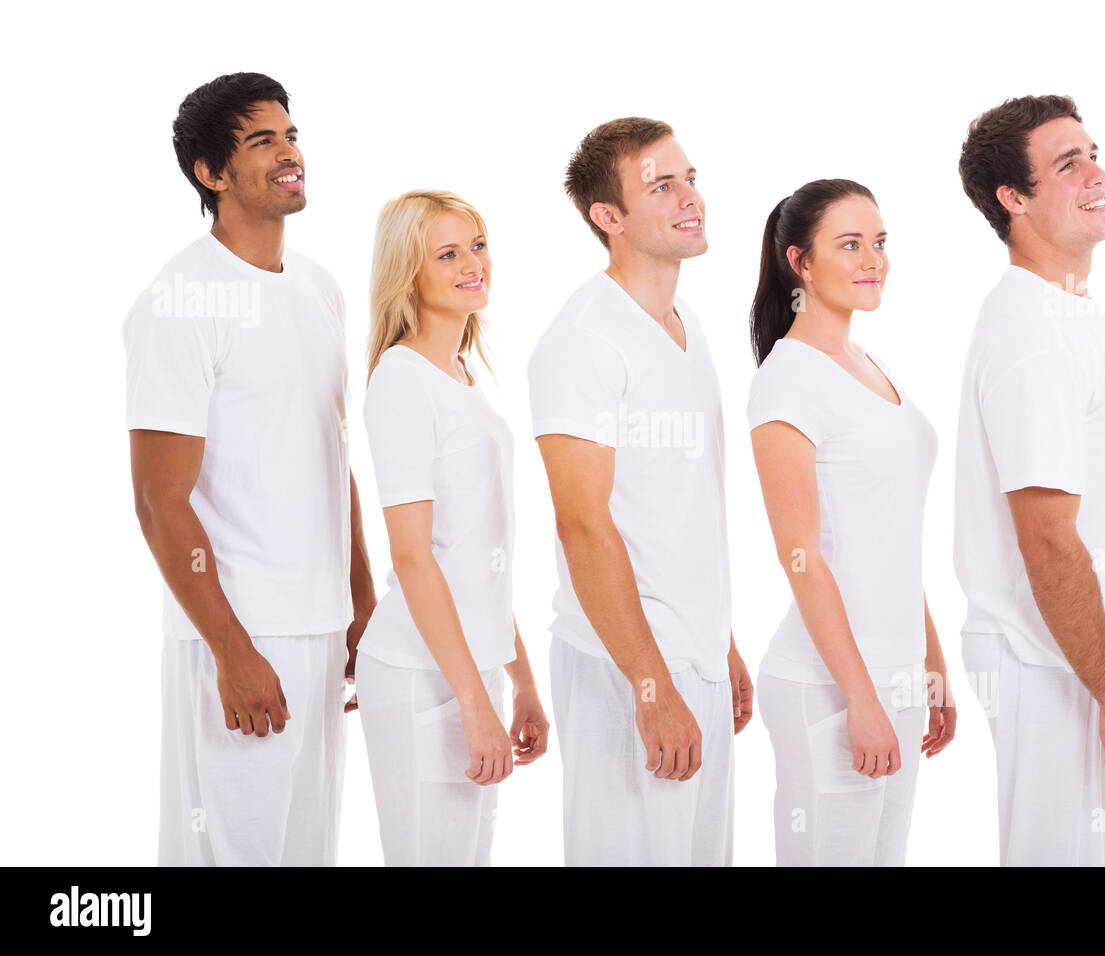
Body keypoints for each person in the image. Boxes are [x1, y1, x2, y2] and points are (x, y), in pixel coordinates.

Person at [123, 72, 377, 866]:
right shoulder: (179, 302)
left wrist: (362, 603)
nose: (289, 152)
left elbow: (333, 461)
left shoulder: (319, 290)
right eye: (261, 141)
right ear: (211, 174)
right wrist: (232, 650)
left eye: (291, 134)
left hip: (320, 624)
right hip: (237, 635)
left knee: (304, 855)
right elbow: (159, 501)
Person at [954, 94, 1105, 866]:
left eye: (1092, 153)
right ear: (1013, 200)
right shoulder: (1033, 335)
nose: (1096, 173)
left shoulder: (1070, 315)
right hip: (1045, 664)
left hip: (1082, 655)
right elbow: (1047, 541)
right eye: (1066, 163)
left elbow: (1102, 510)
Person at [527, 117, 752, 866]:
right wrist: (652, 685)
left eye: (690, 178)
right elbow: (582, 525)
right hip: (625, 668)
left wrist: (719, 644)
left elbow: (681, 507)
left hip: (695, 659)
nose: (690, 197)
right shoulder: (584, 339)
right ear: (608, 217)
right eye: (662, 185)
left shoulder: (687, 325)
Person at [747, 180, 956, 866]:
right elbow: (800, 554)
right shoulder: (788, 381)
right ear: (800, 263)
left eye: (880, 242)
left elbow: (888, 542)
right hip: (828, 685)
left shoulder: (871, 365)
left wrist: (931, 665)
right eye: (849, 244)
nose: (873, 259)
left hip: (895, 673)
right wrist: (861, 697)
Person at [355, 190, 548, 866]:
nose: (473, 263)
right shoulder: (403, 382)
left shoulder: (461, 377)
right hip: (419, 674)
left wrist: (519, 679)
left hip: (471, 670)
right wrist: (474, 699)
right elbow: (414, 558)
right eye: (447, 253)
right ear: (409, 274)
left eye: (477, 245)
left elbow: (477, 555)